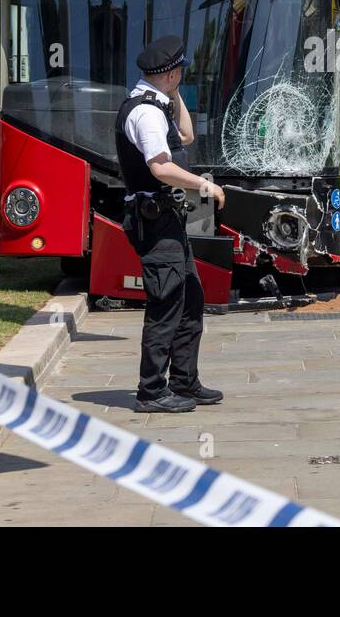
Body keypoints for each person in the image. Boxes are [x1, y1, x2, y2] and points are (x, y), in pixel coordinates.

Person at [116, 35, 225, 415]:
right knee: (166, 302)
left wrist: (172, 92)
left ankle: (184, 381)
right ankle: (151, 391)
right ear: (173, 72)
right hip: (154, 219)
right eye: (179, 73)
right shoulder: (145, 113)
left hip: (168, 218)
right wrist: (204, 185)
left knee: (190, 297)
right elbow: (160, 167)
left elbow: (188, 135)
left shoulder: (158, 105)